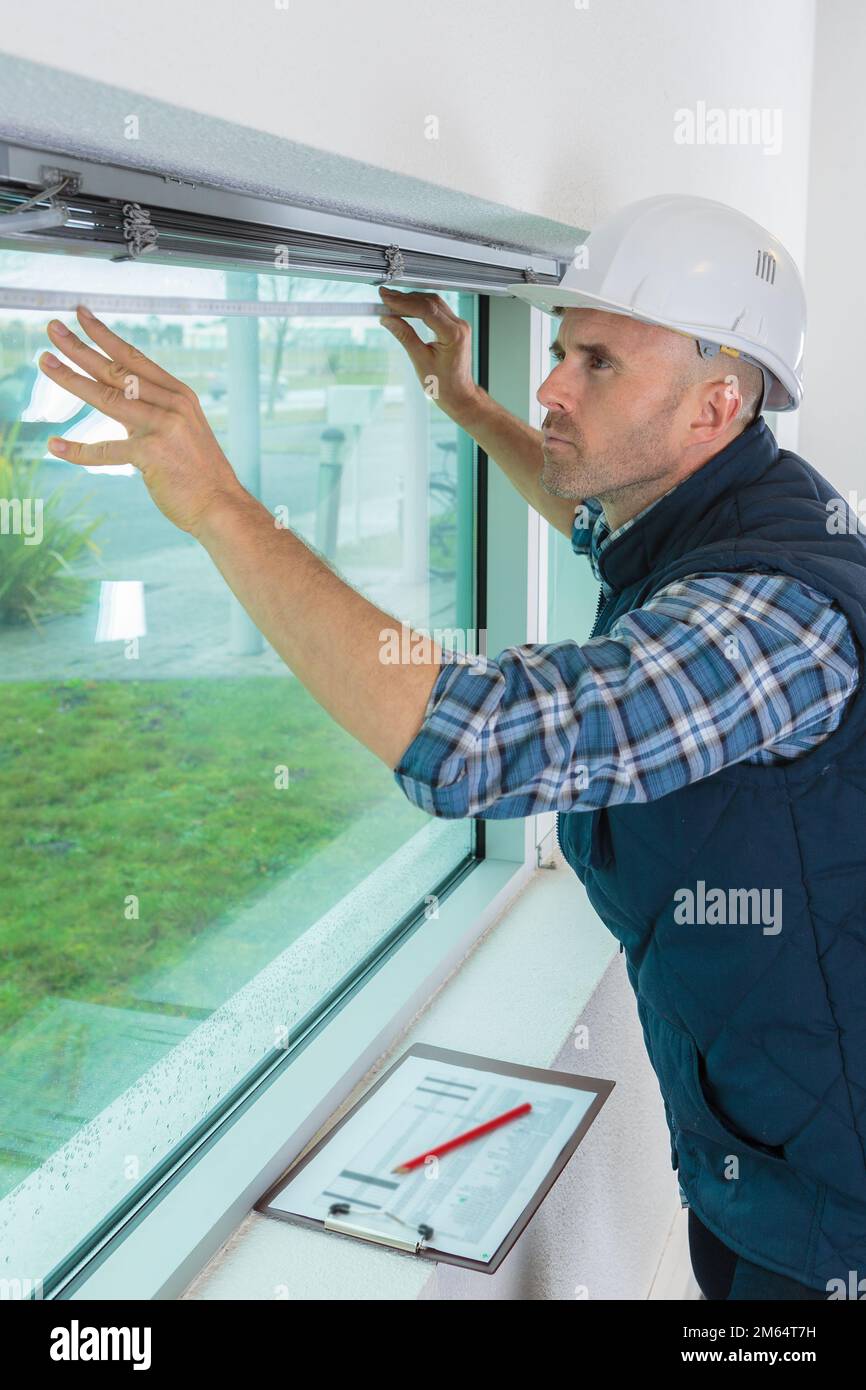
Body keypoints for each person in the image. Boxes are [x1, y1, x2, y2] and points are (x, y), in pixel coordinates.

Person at [37, 194, 866, 1302]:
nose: (553, 385)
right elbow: (590, 513)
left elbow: (476, 743)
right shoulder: (730, 502)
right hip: (763, 1154)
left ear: (713, 403)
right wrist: (464, 404)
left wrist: (221, 507)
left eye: (597, 362)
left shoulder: (772, 612)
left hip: (830, 1208)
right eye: (561, 349)